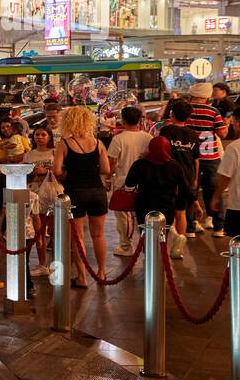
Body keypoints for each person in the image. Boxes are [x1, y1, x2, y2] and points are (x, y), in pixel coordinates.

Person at [53, 105, 111, 288]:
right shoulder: (97, 143)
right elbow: (106, 170)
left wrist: (67, 173)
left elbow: (56, 170)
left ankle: (82, 277)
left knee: (77, 237)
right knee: (98, 234)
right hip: (97, 191)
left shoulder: (65, 142)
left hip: (75, 192)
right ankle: (101, 272)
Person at [125, 136, 196, 259]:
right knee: (162, 237)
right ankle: (161, 262)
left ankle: (149, 262)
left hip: (144, 205)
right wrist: (196, 203)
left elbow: (129, 183)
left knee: (146, 235)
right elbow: (185, 188)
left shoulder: (140, 164)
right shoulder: (175, 166)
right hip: (166, 206)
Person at [106, 105, 152, 256]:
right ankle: (146, 245)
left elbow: (112, 162)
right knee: (140, 213)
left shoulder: (118, 139)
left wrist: (107, 178)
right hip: (144, 181)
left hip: (123, 180)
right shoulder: (148, 137)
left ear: (123, 120)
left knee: (123, 214)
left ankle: (126, 246)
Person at [159, 99, 202, 244]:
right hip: (187, 176)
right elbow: (196, 160)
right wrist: (195, 179)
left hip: (167, 176)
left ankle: (168, 242)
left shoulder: (166, 131)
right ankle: (180, 244)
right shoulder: (193, 134)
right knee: (181, 211)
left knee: (166, 211)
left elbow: (161, 151)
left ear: (172, 114)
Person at [187, 82, 226, 236]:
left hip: (190, 156)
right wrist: (227, 125)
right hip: (210, 156)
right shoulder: (213, 111)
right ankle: (218, 227)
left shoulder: (185, 110)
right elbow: (222, 134)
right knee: (214, 190)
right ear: (207, 95)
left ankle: (191, 227)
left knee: (191, 190)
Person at [213, 104, 240, 239]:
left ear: (238, 123)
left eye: (233, 122)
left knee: (239, 244)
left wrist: (216, 196)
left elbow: (225, 177)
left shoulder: (234, 148)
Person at [23, 125, 60, 276]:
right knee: (39, 231)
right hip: (35, 193)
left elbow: (62, 172)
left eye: (43, 134)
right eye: (37, 135)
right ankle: (42, 264)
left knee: (55, 230)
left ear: (49, 137)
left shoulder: (55, 153)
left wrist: (47, 171)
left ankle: (58, 262)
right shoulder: (29, 155)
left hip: (52, 193)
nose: (39, 137)